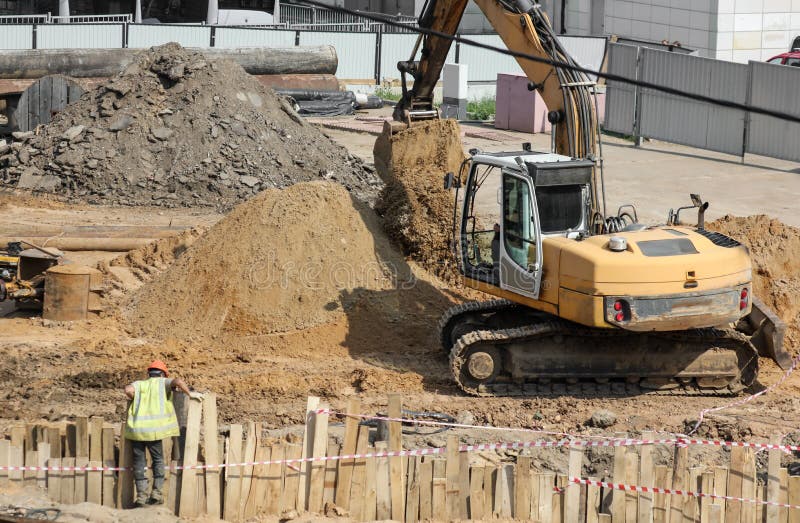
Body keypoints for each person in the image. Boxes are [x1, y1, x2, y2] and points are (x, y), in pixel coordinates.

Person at [123, 360, 200, 507]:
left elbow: (128, 390)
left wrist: (137, 399)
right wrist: (190, 394)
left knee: (139, 463)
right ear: (163, 374)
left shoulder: (140, 384)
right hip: (152, 431)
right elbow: (177, 381)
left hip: (136, 431)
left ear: (149, 373)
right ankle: (156, 494)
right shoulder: (162, 383)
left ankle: (141, 497)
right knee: (158, 460)